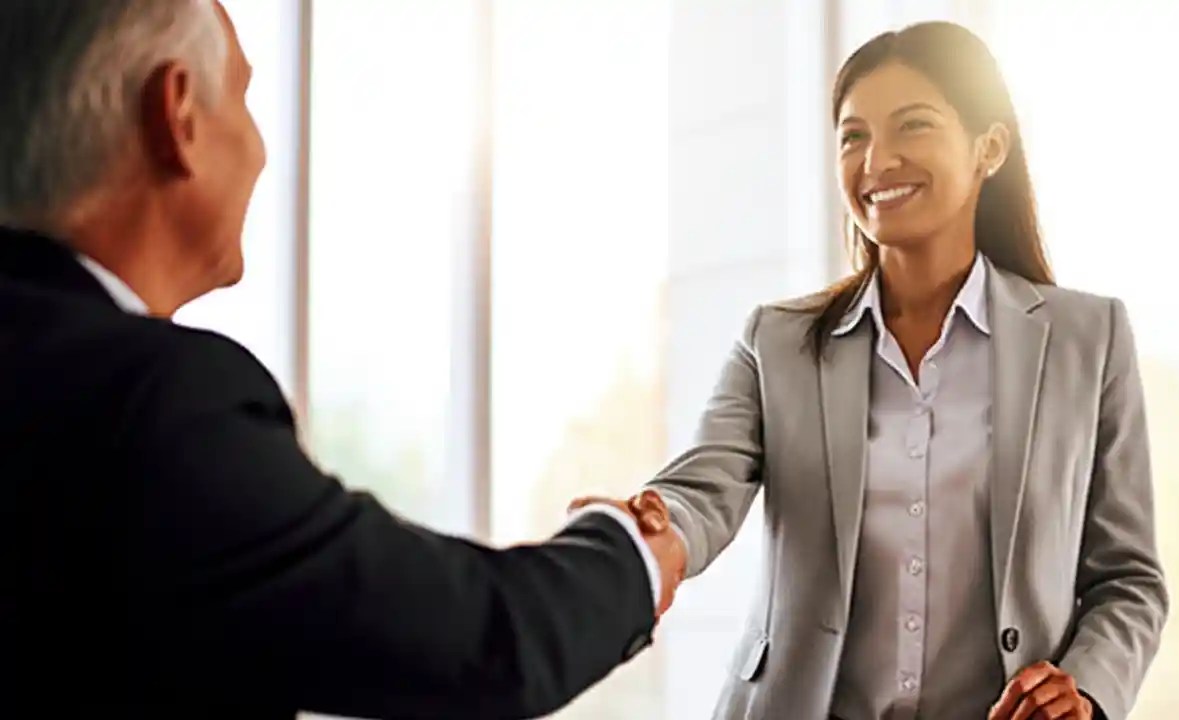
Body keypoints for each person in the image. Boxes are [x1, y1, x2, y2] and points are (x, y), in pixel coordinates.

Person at [0, 1, 686, 717]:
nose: (263, 150)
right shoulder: (157, 404)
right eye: (242, 95)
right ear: (179, 116)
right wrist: (630, 552)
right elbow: (482, 640)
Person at [573, 21, 1168, 720]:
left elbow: (1129, 578)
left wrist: (1086, 689)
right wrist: (649, 530)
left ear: (990, 147)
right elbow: (704, 489)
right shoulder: (779, 341)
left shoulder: (1087, 338)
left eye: (912, 126)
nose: (877, 160)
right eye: (853, 137)